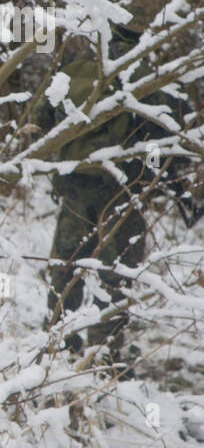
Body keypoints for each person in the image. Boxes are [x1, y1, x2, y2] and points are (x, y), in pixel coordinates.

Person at [32, 25, 198, 371]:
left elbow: (42, 120)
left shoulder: (75, 67)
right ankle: (105, 355)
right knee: (117, 273)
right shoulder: (147, 76)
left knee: (67, 266)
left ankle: (60, 347)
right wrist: (159, 175)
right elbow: (166, 133)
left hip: (74, 184)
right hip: (124, 188)